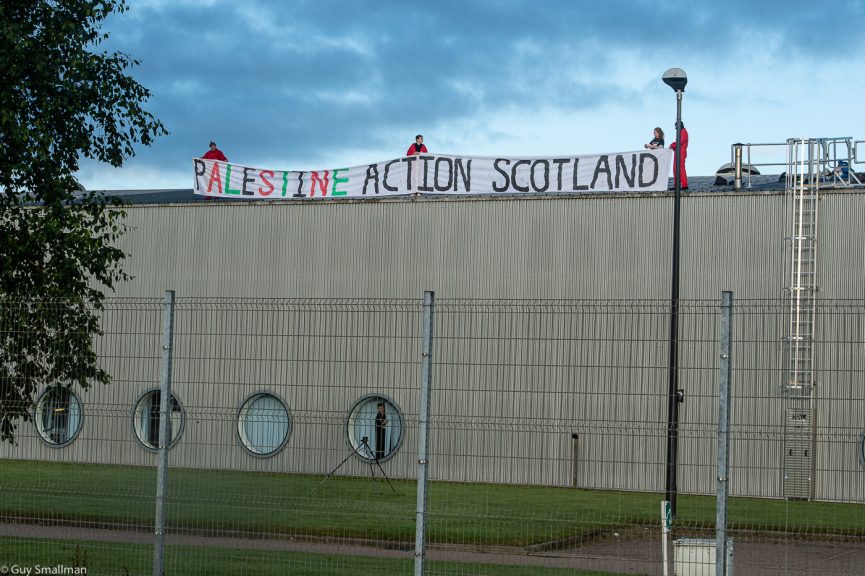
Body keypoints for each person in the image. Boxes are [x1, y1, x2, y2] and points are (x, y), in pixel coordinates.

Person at [669, 122, 689, 190]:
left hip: (681, 152)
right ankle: (677, 185)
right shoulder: (681, 132)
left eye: (676, 127)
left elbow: (679, 141)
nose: (675, 128)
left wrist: (672, 145)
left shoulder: (684, 132)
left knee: (680, 168)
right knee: (675, 169)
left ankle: (684, 185)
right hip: (677, 152)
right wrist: (673, 146)